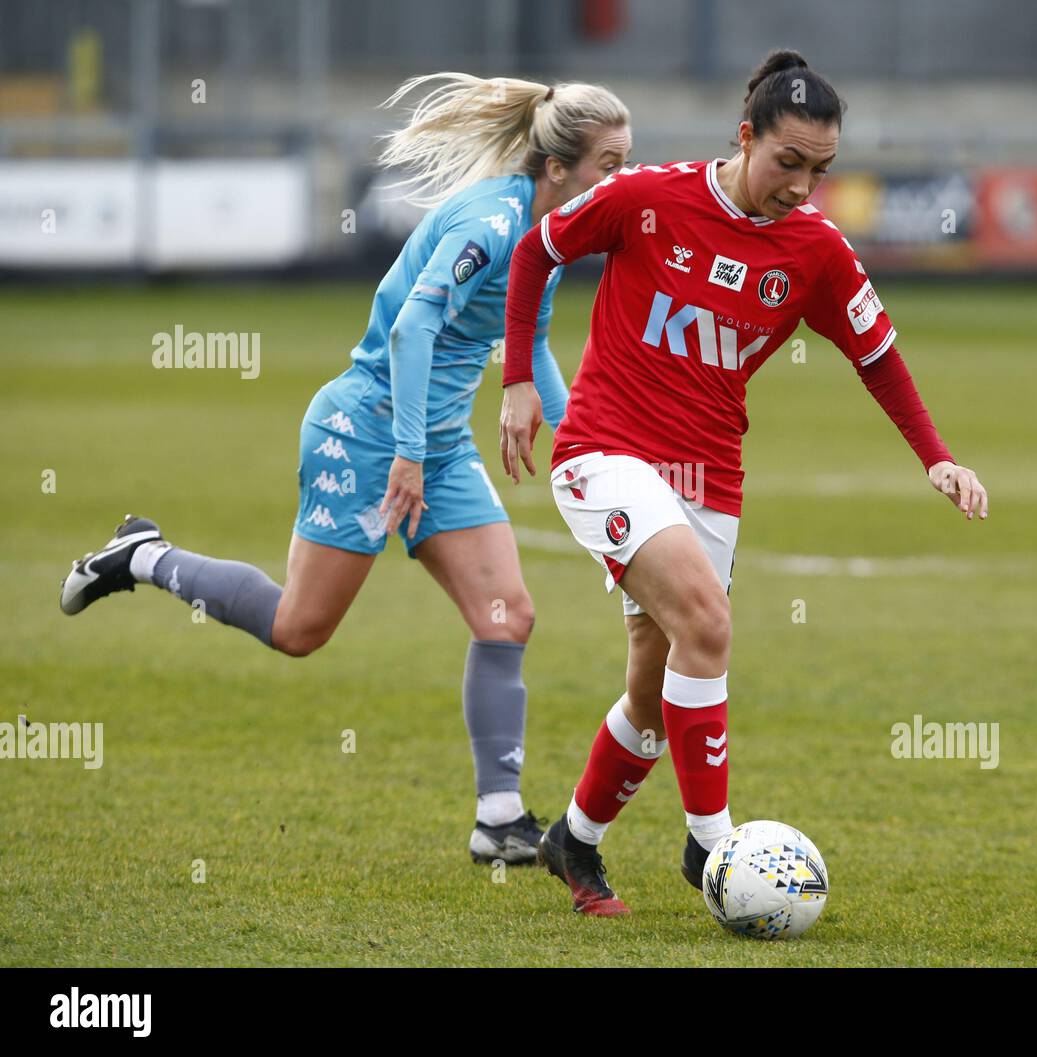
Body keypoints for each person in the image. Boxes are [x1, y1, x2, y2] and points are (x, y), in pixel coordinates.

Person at [59, 72, 632, 866]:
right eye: (610, 161)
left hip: (435, 444)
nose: (622, 178)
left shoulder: (552, 231)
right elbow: (409, 330)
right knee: (300, 629)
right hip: (365, 431)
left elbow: (529, 339)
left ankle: (499, 820)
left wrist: (587, 445)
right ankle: (144, 555)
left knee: (508, 616)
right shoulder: (490, 221)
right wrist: (404, 453)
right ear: (560, 163)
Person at [498, 50, 988, 915]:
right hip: (606, 452)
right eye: (788, 162)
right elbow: (538, 252)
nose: (802, 186)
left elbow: (878, 356)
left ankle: (574, 838)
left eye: (821, 170)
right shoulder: (646, 197)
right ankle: (714, 847)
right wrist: (519, 380)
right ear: (745, 135)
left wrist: (936, 454)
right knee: (708, 620)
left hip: (710, 476)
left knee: (654, 693)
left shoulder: (817, 252)